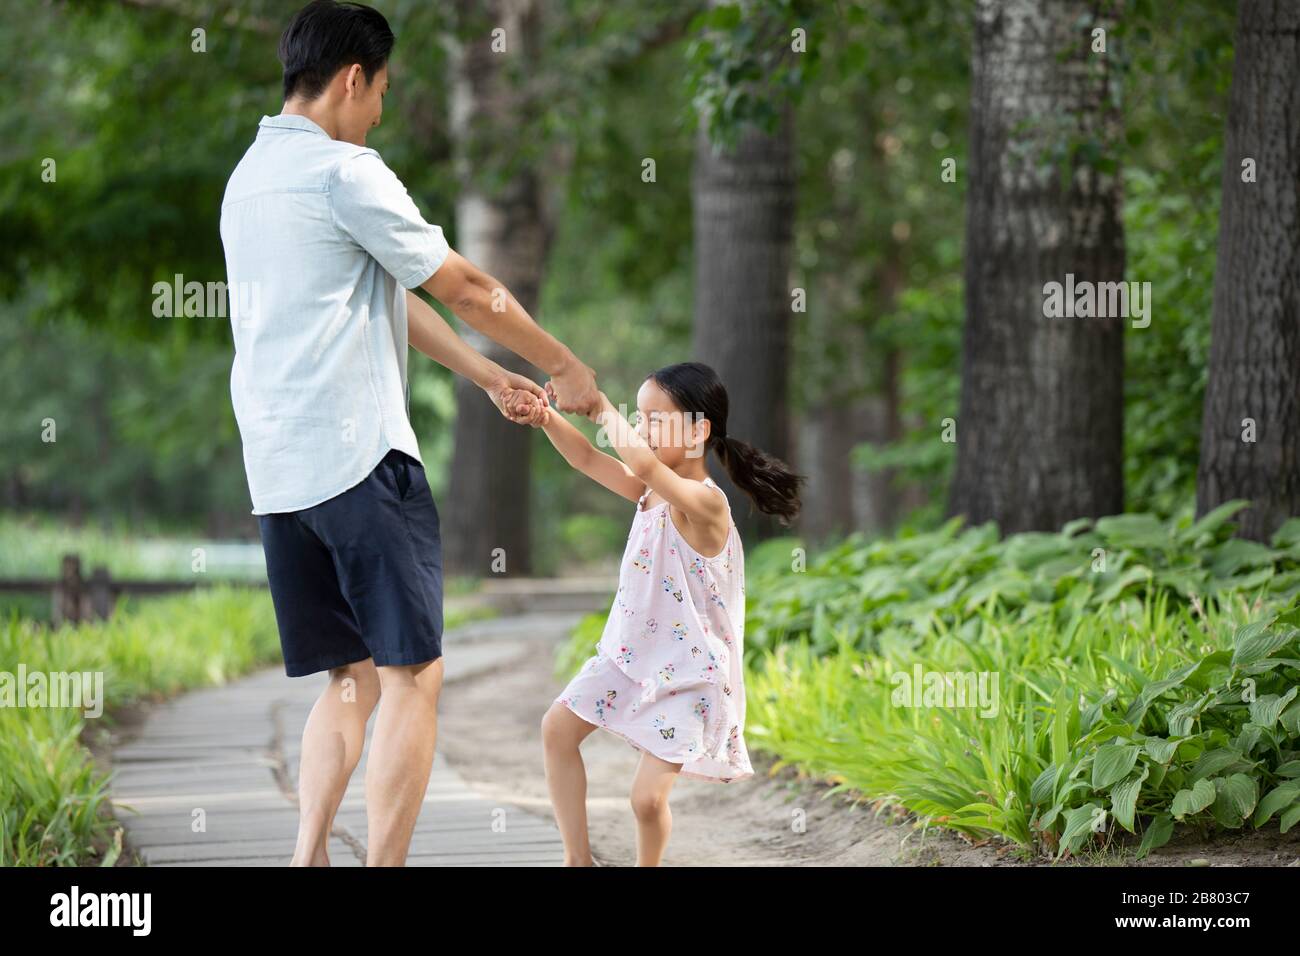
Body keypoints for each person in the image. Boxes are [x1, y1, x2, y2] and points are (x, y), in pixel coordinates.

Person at [218, 0, 597, 866]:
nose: (380, 112)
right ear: (353, 78)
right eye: (381, 91)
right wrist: (562, 363)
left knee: (346, 680)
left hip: (280, 473)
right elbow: (461, 284)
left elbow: (384, 293)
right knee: (411, 678)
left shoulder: (248, 181)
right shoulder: (345, 173)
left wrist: (491, 373)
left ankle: (307, 853)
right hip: (360, 461)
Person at [534, 361, 804, 866]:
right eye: (638, 418)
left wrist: (599, 406)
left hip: (689, 674)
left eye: (655, 419)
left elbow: (646, 465)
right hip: (628, 658)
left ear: (699, 430)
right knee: (556, 728)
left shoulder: (706, 504)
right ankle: (578, 859)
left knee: (646, 799)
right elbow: (589, 459)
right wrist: (546, 417)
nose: (641, 429)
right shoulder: (648, 493)